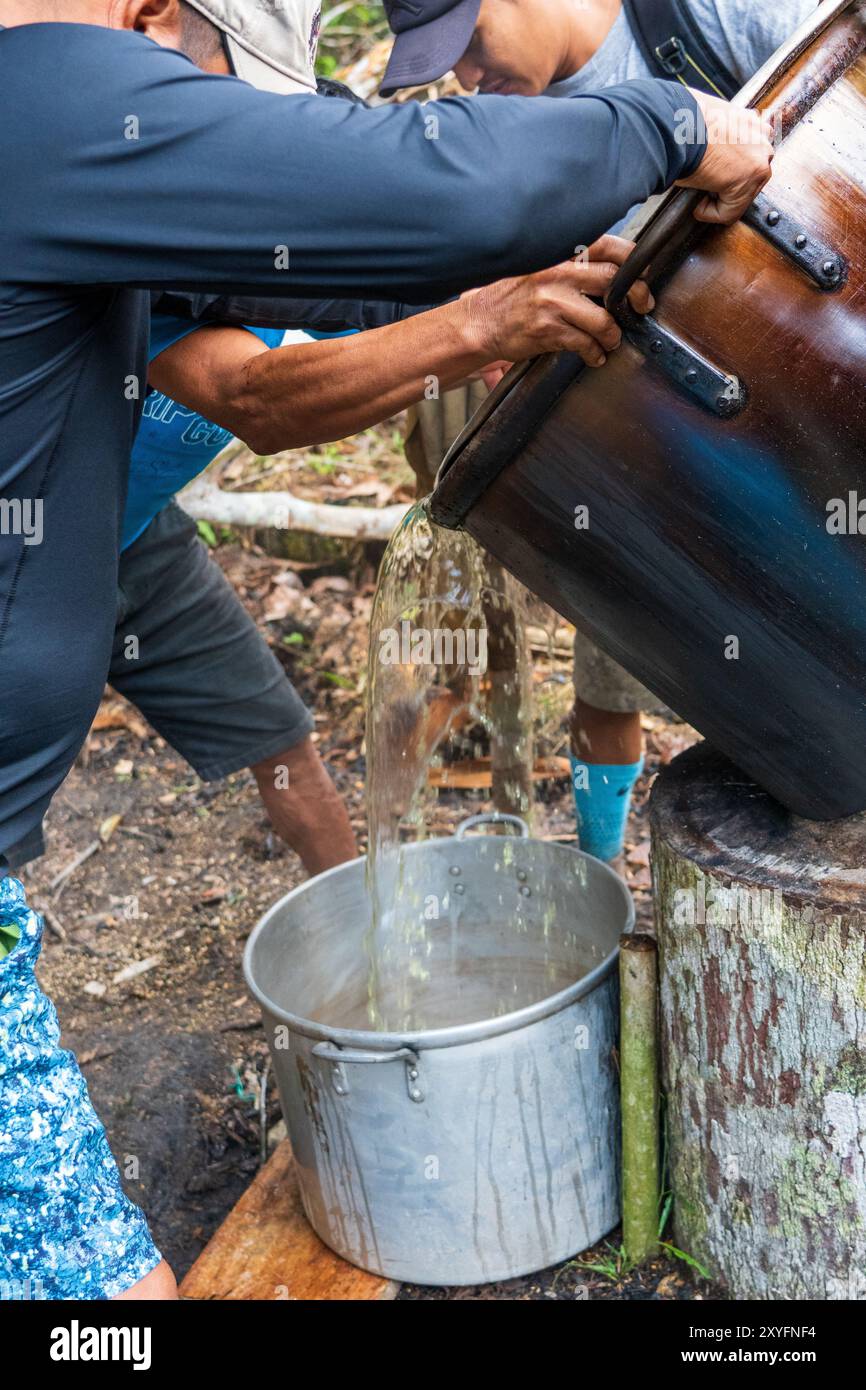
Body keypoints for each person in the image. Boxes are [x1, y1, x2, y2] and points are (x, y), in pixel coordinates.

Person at [0, 0, 772, 1300]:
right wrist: (675, 124)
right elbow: (428, 193)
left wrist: (492, 299)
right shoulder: (38, 92)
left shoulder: (72, 170)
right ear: (146, 17)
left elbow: (315, 262)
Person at [380, 0, 809, 863]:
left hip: (797, 391)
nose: (465, 75)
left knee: (787, 657)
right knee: (610, 664)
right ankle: (599, 873)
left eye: (469, 44)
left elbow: (835, 104)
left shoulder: (697, 16)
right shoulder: (495, 124)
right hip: (628, 438)